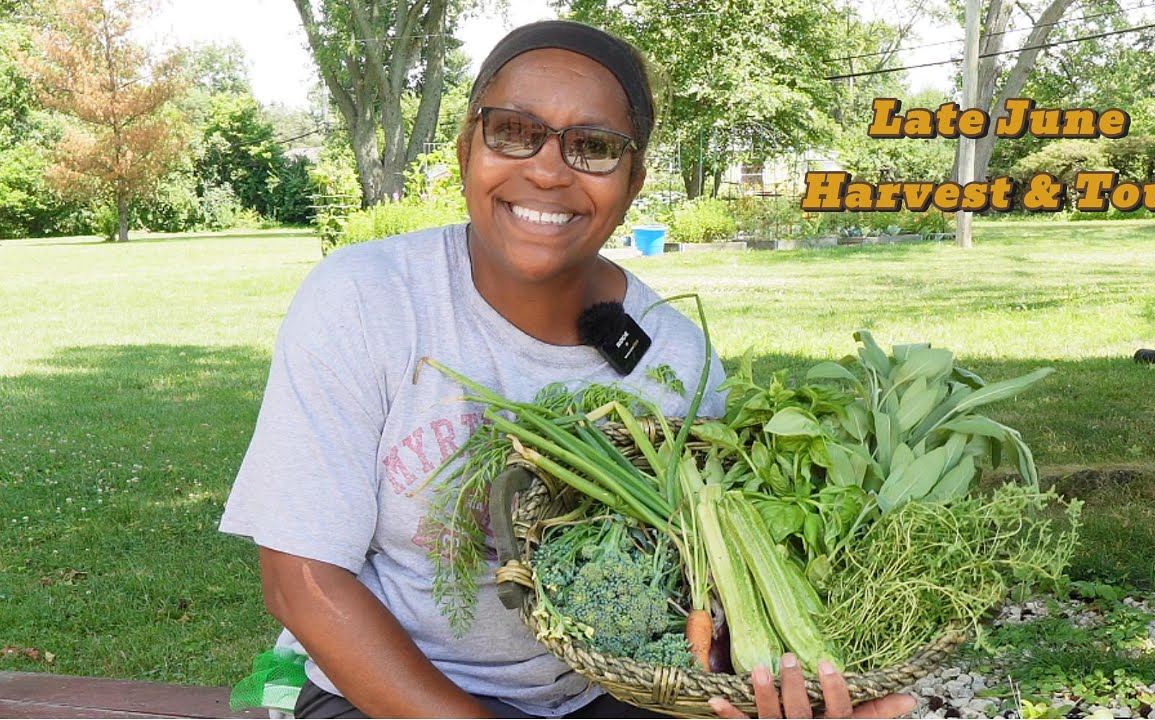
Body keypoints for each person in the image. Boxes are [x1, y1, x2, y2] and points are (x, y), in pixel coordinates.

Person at [219, 19, 914, 720]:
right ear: (466, 149)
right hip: (385, 694)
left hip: (609, 694)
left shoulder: (675, 358)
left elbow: (695, 589)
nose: (549, 171)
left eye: (594, 146)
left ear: (633, 181)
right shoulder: (367, 298)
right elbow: (301, 582)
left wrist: (760, 684)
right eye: (513, 131)